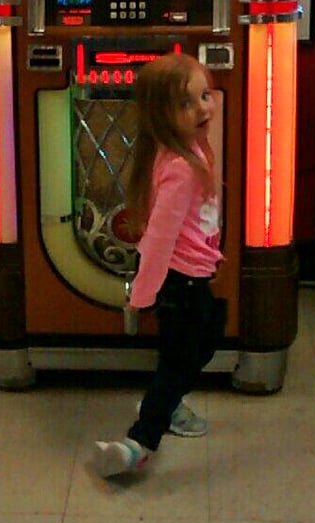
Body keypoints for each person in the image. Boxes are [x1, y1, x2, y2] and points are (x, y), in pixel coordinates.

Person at [93, 53, 225, 478]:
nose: (203, 108)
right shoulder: (181, 169)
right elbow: (159, 240)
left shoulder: (187, 150)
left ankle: (166, 403)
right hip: (179, 283)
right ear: (162, 116)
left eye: (205, 96)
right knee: (179, 362)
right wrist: (142, 294)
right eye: (187, 103)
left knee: (203, 342)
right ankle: (139, 442)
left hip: (193, 278)